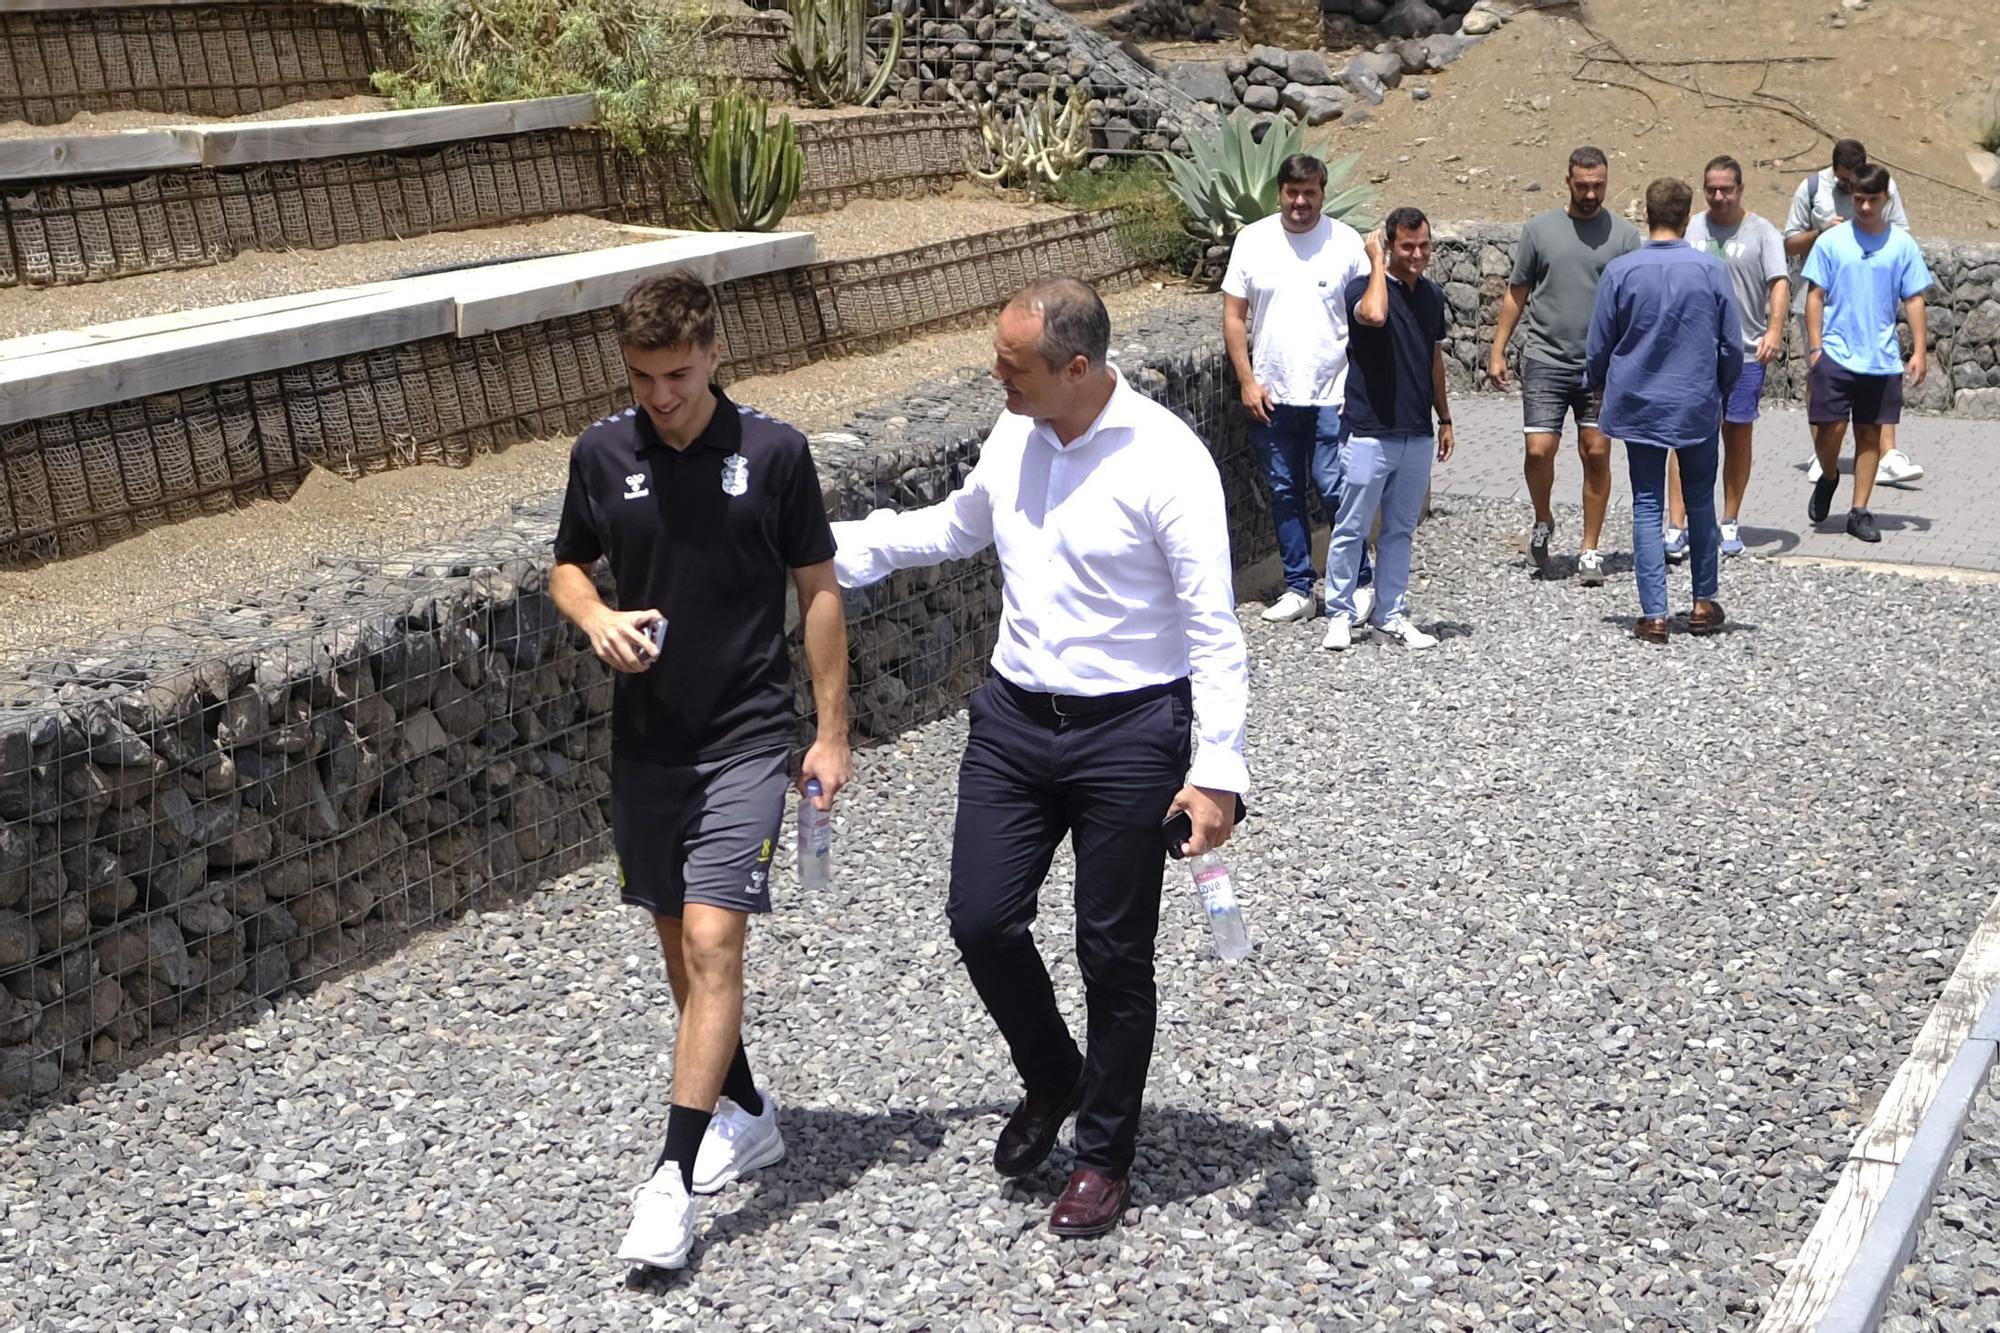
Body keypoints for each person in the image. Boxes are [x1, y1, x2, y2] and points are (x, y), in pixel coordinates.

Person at [833, 276, 1249, 1240]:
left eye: (1011, 365)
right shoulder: (1015, 432)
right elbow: (951, 525)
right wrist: (822, 546)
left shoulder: (1168, 462)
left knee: (1113, 955)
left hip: (1131, 734)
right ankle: (1053, 1073)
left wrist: (1218, 770)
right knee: (980, 918)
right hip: (1014, 721)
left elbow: (1213, 627)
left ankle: (1104, 1155)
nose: (994, 377)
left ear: (1076, 368)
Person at [549, 272, 853, 1270]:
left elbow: (816, 590)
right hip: (647, 744)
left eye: (677, 374)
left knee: (718, 942)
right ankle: (749, 1110)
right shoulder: (600, 452)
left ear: (715, 353)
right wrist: (593, 615)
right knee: (684, 955)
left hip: (747, 736)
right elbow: (567, 564)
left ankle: (669, 1180)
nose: (660, 396)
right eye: (641, 377)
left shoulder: (774, 454)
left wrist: (830, 731)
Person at [1586, 177, 1743, 643]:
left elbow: (1599, 344)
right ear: (1686, 213)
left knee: (1648, 502)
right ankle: (1702, 600)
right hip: (1695, 399)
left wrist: (1597, 383)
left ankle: (1654, 613)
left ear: (1647, 215)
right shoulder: (1711, 270)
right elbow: (1731, 344)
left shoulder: (1620, 271)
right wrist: (1724, 387)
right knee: (1698, 498)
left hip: (1639, 401)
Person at [1222, 152, 1374, 626]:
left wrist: (1362, 387)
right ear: (1280, 193)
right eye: (1293, 192)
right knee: (1284, 489)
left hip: (1334, 392)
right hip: (1272, 392)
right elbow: (1233, 315)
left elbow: (1368, 320)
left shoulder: (1346, 244)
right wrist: (1247, 380)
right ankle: (1299, 587)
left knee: (1334, 488)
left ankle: (1359, 581)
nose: (1301, 202)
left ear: (1323, 193)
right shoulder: (1252, 241)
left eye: (1310, 193)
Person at [1487, 145, 1641, 585]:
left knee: (1596, 452)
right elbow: (1518, 290)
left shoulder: (1625, 236)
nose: (1591, 194)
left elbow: (1632, 302)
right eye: (1583, 185)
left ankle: (1589, 549)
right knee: (1539, 450)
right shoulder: (1540, 230)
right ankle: (1543, 519)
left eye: (1599, 185)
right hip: (1545, 358)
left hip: (1600, 366)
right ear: (1568, 182)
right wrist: (1498, 349)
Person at [1322, 205, 1456, 652]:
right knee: (1353, 525)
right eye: (1407, 246)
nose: (1417, 255)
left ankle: (1390, 614)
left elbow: (1433, 357)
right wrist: (1375, 259)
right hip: (1369, 430)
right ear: (1390, 245)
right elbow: (1375, 316)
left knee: (1400, 530)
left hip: (1415, 431)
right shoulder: (1363, 287)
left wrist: (1446, 417)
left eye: (1423, 245)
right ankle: (1339, 613)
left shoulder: (1432, 296)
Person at [1661, 155, 1790, 559]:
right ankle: (1675, 525)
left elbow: (1779, 283)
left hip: (1745, 353)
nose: (1718, 197)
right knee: (1682, 439)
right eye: (1711, 189)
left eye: (1726, 189)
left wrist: (1773, 330)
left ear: (1740, 189)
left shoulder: (1762, 231)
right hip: (1691, 356)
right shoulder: (1691, 227)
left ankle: (1729, 519)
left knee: (1736, 435)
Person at [1800, 162, 1932, 543]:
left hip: (1881, 359)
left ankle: (1859, 511)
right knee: (1830, 430)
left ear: (1886, 199)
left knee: (1869, 436)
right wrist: (1815, 346)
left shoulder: (1902, 245)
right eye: (1859, 199)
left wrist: (1919, 351)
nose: (1866, 208)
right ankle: (1828, 475)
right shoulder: (1832, 241)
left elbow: (1914, 299)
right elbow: (1815, 295)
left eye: (1873, 200)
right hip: (1836, 354)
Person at [1785, 137, 1925, 488]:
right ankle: (1823, 456)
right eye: (1846, 186)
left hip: (1870, 302)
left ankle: (1888, 454)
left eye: (1860, 189)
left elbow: (1901, 237)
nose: (1856, 198)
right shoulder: (1812, 187)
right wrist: (1821, 232)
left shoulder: (1883, 186)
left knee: (1879, 368)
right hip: (1818, 301)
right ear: (1834, 171)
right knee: (1821, 378)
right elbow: (1788, 242)